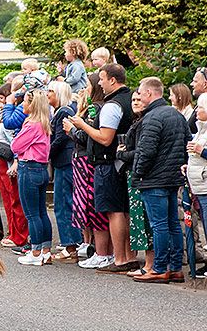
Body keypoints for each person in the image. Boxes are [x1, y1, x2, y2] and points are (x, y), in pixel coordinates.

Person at [65, 63, 135, 270]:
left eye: (102, 79)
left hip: (108, 163)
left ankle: (119, 258)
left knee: (114, 211)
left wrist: (82, 125)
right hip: (122, 162)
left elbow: (105, 138)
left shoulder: (112, 105)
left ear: (112, 80)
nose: (100, 84)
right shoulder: (129, 99)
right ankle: (126, 256)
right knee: (123, 211)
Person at [131, 77, 190, 283]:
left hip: (154, 179)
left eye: (140, 92)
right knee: (173, 223)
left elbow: (146, 151)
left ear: (149, 93)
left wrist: (138, 173)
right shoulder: (176, 115)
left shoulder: (152, 117)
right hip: (173, 178)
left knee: (159, 225)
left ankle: (159, 267)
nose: (138, 96)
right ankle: (175, 267)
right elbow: (186, 142)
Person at [64, 73, 111, 267]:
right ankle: (94, 247)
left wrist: (72, 130)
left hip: (88, 160)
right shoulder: (95, 108)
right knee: (86, 206)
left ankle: (101, 252)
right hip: (83, 159)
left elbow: (88, 137)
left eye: (90, 85)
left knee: (92, 207)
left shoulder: (96, 109)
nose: (86, 89)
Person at [11, 88, 53, 265]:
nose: (22, 105)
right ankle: (45, 250)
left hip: (29, 168)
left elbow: (15, 146)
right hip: (42, 169)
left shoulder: (31, 125)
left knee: (32, 214)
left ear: (32, 104)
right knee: (42, 212)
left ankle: (35, 252)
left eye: (25, 102)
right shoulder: (44, 124)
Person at [116, 90, 153, 276]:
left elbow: (141, 152)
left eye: (139, 99)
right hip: (133, 174)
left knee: (145, 220)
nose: (135, 102)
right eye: (133, 99)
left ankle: (150, 264)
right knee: (138, 219)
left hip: (141, 174)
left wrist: (122, 154)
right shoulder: (136, 121)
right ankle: (147, 263)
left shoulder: (146, 122)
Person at [0, 83, 29, 253]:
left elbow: (11, 131)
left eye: (3, 97)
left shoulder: (15, 110)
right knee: (8, 199)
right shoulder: (6, 110)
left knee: (15, 199)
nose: (2, 100)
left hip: (9, 159)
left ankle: (19, 235)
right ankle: (13, 232)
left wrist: (9, 102)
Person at [47, 81, 82, 257]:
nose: (48, 94)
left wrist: (44, 154)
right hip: (65, 162)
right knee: (66, 202)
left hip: (64, 162)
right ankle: (72, 243)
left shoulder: (64, 112)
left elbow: (60, 139)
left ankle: (70, 245)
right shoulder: (63, 111)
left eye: (51, 91)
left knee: (63, 203)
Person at [184, 93, 207, 278]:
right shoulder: (200, 128)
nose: (197, 111)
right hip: (198, 184)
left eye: (200, 108)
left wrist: (202, 151)